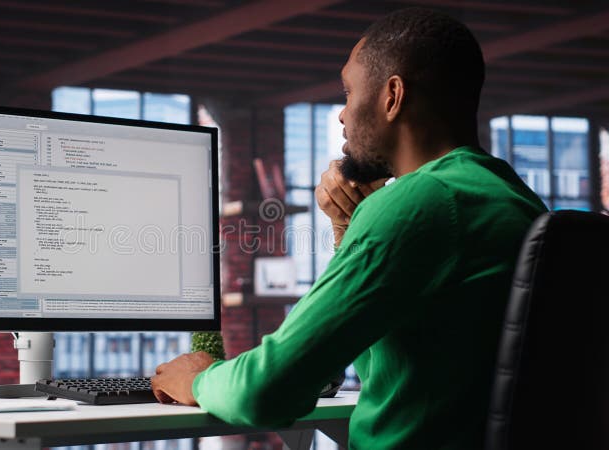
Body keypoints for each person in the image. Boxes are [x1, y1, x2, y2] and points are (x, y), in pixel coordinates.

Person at [151, 7, 547, 449]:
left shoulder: (420, 203)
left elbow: (267, 390)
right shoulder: (512, 198)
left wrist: (200, 379)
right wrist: (347, 228)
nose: (342, 115)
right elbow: (382, 364)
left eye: (348, 91)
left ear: (392, 96)